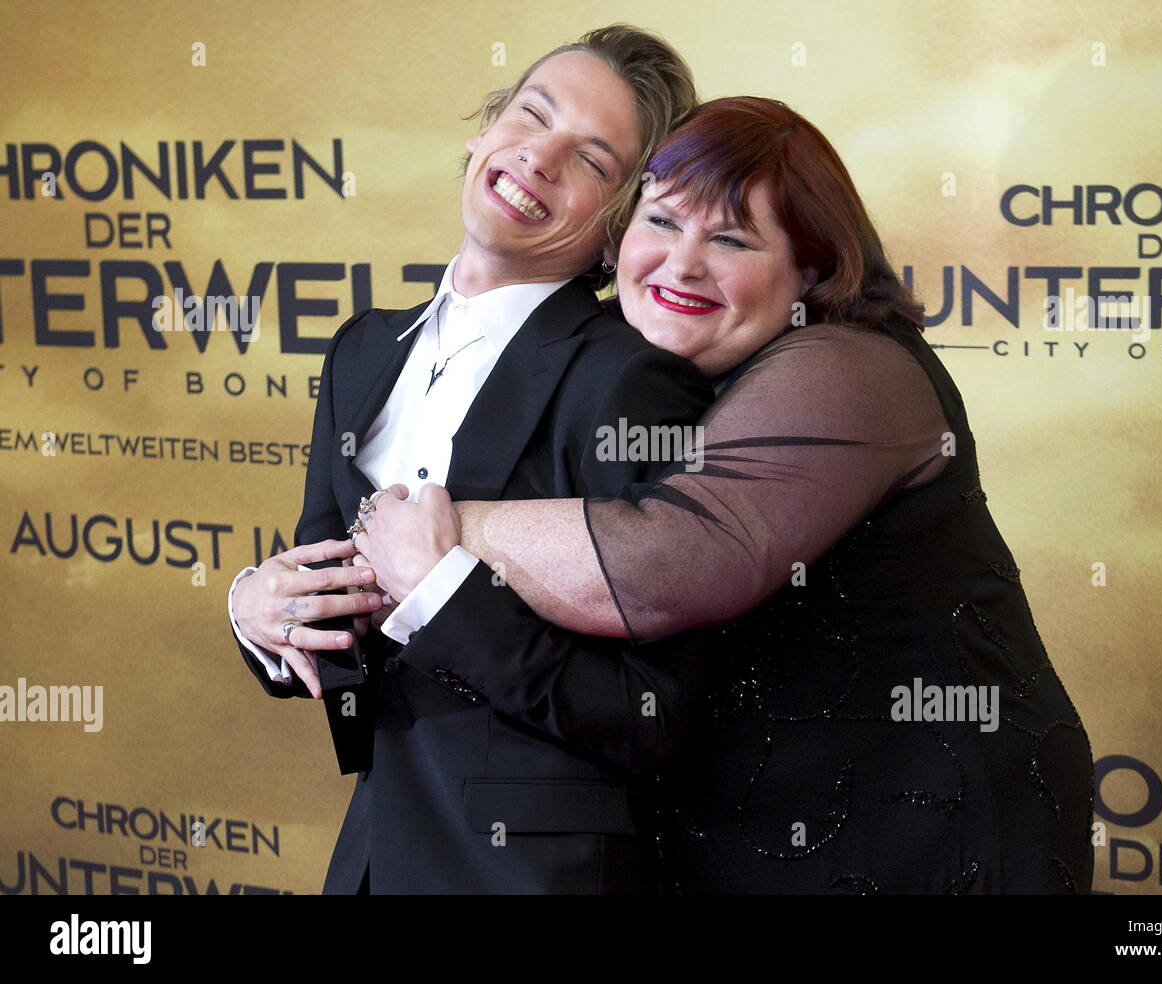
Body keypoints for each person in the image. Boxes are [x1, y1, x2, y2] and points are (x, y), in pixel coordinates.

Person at [355, 97, 1096, 894]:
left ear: (811, 270)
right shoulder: (630, 361)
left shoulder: (849, 367)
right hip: (741, 820)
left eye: (732, 240)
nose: (682, 264)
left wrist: (432, 528)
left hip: (924, 820)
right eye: (663, 222)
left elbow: (676, 558)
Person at [227, 25, 718, 894]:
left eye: (593, 161)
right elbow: (335, 621)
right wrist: (261, 616)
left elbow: (659, 712)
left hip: (536, 872)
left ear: (616, 230)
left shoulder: (631, 383)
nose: (540, 157)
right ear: (482, 129)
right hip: (374, 853)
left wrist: (440, 594)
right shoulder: (361, 350)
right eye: (532, 114)